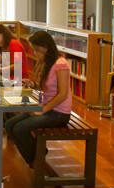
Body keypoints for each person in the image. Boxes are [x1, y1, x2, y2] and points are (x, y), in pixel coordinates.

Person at [5, 29, 71, 169]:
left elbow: (63, 94)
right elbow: (46, 88)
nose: (35, 53)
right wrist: (33, 84)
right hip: (46, 108)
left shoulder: (61, 64)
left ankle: (36, 161)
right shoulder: (46, 63)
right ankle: (38, 156)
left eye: (36, 50)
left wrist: (42, 110)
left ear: (46, 46)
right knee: (10, 125)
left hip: (58, 113)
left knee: (20, 129)